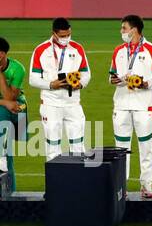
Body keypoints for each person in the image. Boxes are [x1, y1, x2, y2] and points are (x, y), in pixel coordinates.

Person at [108, 15, 152, 199]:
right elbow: (111, 77)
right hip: (122, 104)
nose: (121, 32)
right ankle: (121, 187)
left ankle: (147, 185)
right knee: (121, 148)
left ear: (134, 30)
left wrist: (145, 84)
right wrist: (117, 80)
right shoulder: (118, 50)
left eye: (124, 28)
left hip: (143, 105)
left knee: (145, 146)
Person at [29, 18, 92, 161]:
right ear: (54, 33)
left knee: (78, 145)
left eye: (68, 35)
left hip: (73, 103)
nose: (66, 38)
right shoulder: (41, 50)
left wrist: (80, 84)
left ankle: (78, 181)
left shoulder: (77, 48)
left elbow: (86, 73)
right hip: (51, 104)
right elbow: (33, 79)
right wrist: (52, 84)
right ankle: (55, 182)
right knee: (53, 146)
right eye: (63, 36)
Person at [0, 37, 28, 188]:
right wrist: (4, 102)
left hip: (18, 108)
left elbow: (12, 98)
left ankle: (10, 194)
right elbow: (6, 101)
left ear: (2, 54)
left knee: (5, 154)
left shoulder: (17, 69)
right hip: (5, 107)